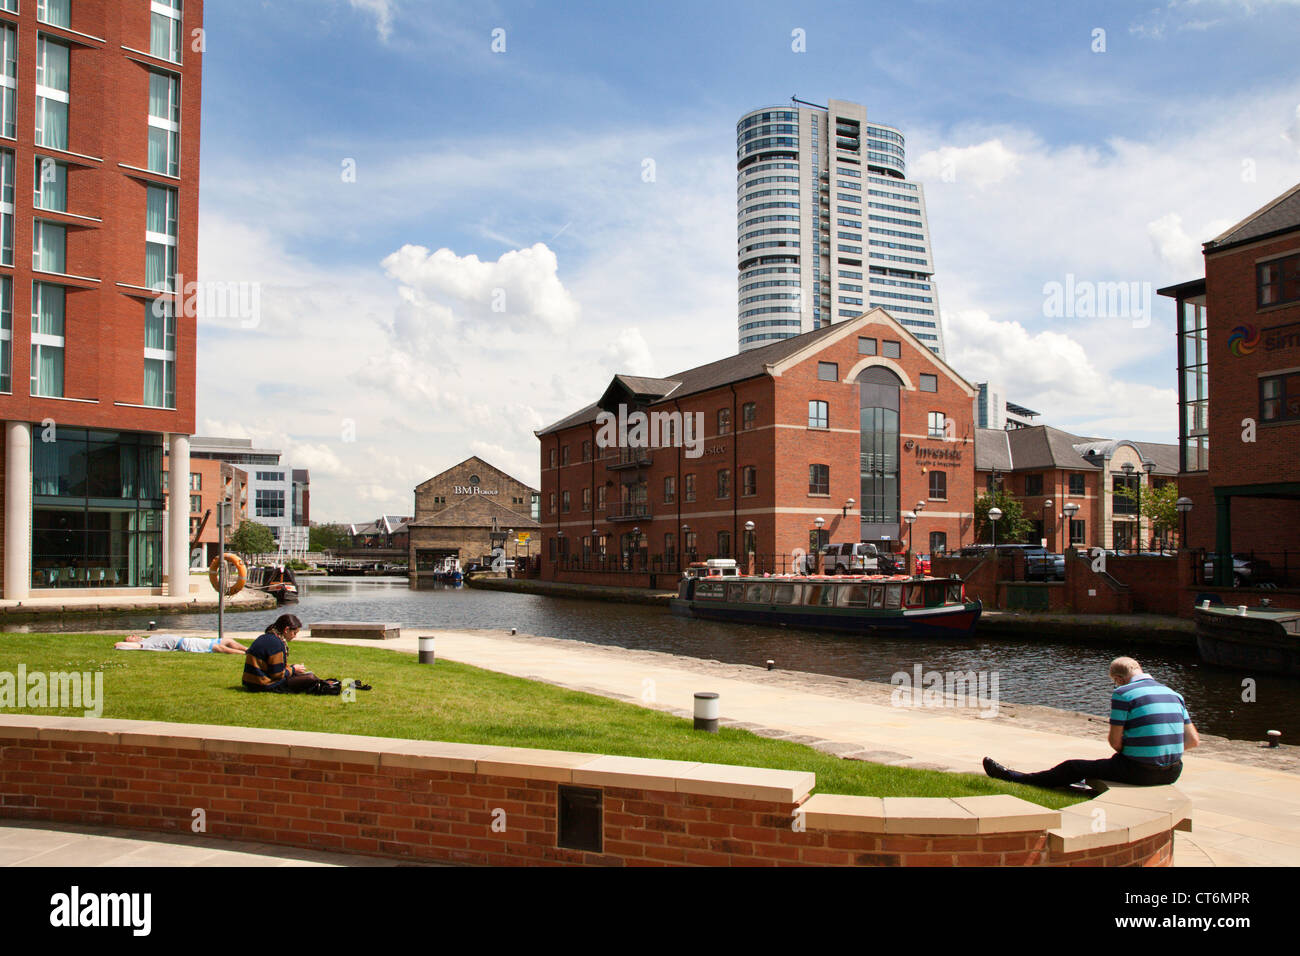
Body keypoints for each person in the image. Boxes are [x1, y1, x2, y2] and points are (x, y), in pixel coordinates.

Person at [983, 656, 1199, 789]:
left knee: (1073, 766)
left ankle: (1016, 778)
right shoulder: (1173, 693)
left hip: (1140, 771)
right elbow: (1193, 740)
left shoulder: (1124, 693)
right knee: (1096, 768)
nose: (1115, 686)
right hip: (1172, 772)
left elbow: (1115, 743)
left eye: (1114, 682)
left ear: (1119, 679)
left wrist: (1139, 752)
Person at [242, 613, 317, 692]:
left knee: (302, 676)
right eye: (294, 633)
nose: (295, 636)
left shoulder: (265, 637)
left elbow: (272, 667)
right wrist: (293, 669)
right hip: (263, 684)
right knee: (310, 678)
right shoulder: (276, 643)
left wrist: (291, 668)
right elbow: (277, 675)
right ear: (286, 630)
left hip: (250, 682)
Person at [115, 634, 248, 654]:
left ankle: (250, 650)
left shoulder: (149, 637)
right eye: (130, 637)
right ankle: (244, 654)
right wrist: (129, 643)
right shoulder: (144, 644)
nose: (133, 636)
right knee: (219, 648)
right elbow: (117, 644)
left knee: (228, 640)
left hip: (189, 639)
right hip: (185, 644)